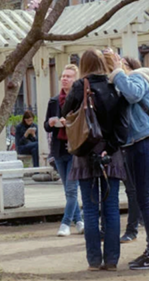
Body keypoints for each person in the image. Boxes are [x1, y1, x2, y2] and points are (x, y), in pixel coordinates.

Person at [62, 49, 129, 272]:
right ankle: (111, 260)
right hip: (112, 153)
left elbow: (65, 110)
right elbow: (123, 123)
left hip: (85, 151)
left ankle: (93, 260)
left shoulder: (81, 86)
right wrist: (110, 147)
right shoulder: (115, 85)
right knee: (111, 208)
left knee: (90, 210)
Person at [107, 52, 149, 270]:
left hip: (145, 142)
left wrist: (117, 70)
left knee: (146, 198)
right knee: (141, 198)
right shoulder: (120, 82)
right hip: (132, 145)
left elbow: (132, 95)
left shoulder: (139, 77)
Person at [44, 64, 84, 237]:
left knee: (71, 189)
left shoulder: (80, 100)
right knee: (68, 190)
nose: (65, 79)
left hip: (74, 148)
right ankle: (80, 221)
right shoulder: (54, 101)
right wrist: (52, 123)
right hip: (59, 149)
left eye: (69, 76)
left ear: (76, 80)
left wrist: (69, 123)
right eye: (63, 76)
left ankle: (65, 223)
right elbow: (46, 125)